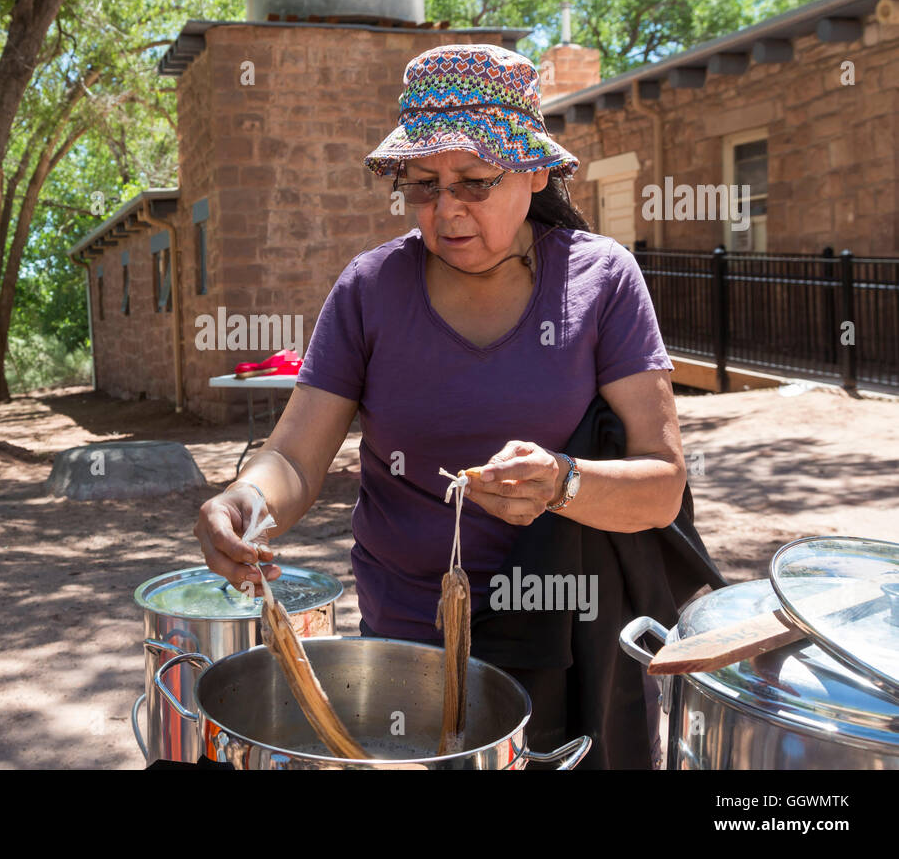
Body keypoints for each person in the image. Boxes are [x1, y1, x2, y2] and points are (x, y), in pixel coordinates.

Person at [193, 44, 686, 764]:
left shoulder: (601, 281)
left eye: (475, 182)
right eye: (422, 184)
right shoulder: (371, 290)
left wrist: (561, 483)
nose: (446, 209)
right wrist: (245, 502)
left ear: (536, 170)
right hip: (405, 640)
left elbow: (662, 486)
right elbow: (294, 458)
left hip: (562, 638)